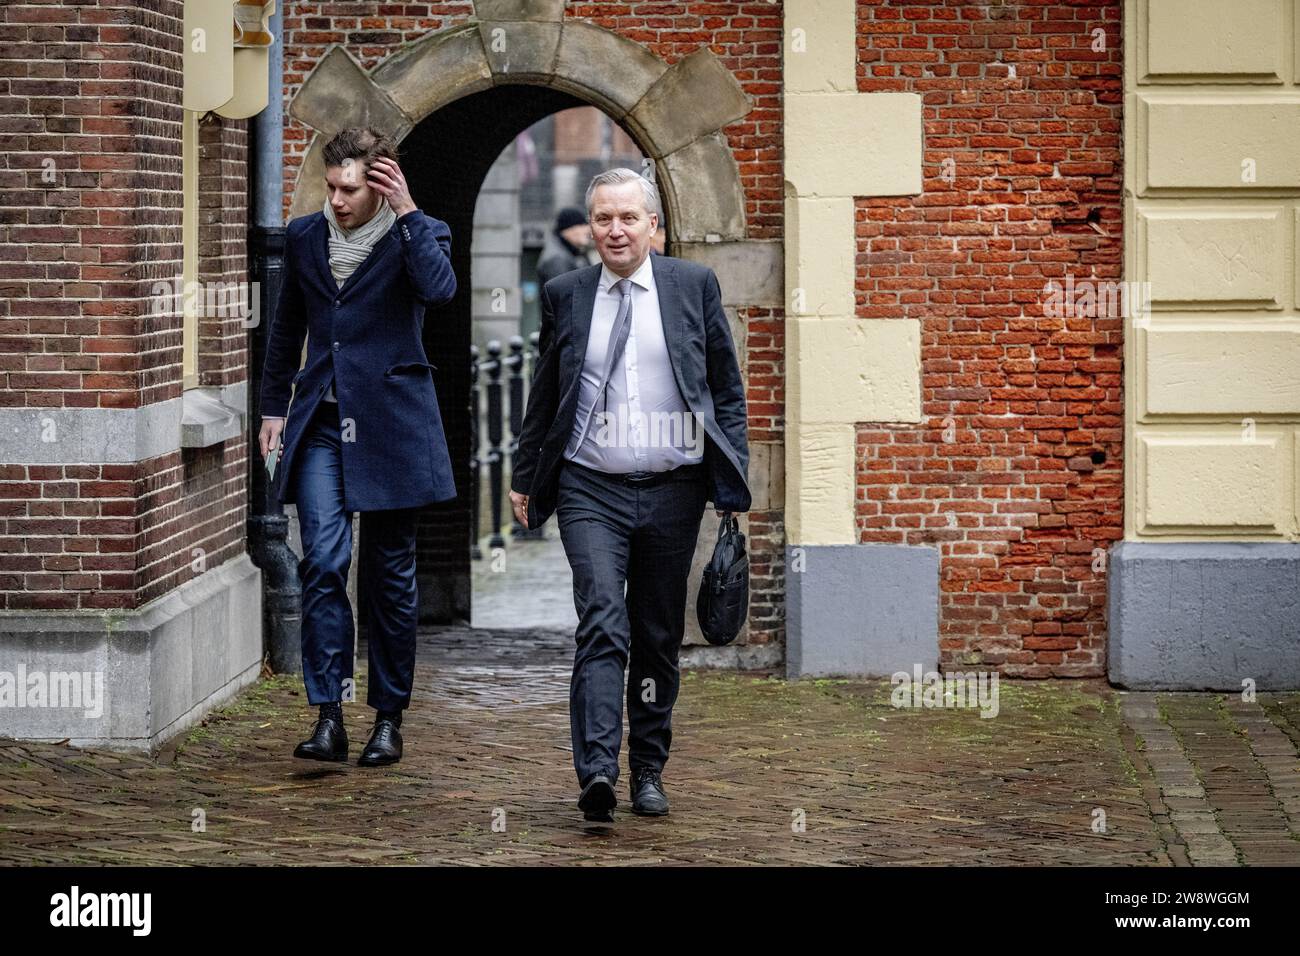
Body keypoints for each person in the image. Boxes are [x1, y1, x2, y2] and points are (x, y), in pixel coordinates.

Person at [509, 168, 750, 821]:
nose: (615, 229)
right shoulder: (565, 293)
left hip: (675, 488)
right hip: (591, 485)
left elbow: (725, 388)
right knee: (601, 621)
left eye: (627, 218)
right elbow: (546, 391)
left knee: (656, 633)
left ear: (653, 226)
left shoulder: (691, 286)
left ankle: (647, 768)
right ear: (590, 228)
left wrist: (732, 479)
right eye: (604, 219)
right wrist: (525, 473)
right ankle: (596, 773)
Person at [258, 127, 457, 767]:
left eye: (350, 188)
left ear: (378, 183)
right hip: (321, 420)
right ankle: (328, 715)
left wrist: (407, 213)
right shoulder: (305, 238)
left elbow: (439, 290)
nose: (338, 200)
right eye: (331, 186)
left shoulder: (419, 233)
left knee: (388, 577)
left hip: (394, 424)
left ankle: (388, 719)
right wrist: (271, 408)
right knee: (321, 560)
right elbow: (286, 326)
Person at [536, 205, 592, 287]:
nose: (588, 229)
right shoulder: (557, 259)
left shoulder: (570, 252)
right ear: (569, 230)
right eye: (583, 225)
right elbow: (563, 295)